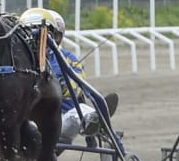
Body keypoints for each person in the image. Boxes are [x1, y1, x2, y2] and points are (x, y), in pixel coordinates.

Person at [17, 8, 119, 144]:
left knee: (80, 111)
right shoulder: (19, 59)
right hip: (30, 123)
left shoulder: (67, 58)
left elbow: (78, 85)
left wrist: (61, 86)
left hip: (64, 119)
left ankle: (93, 121)